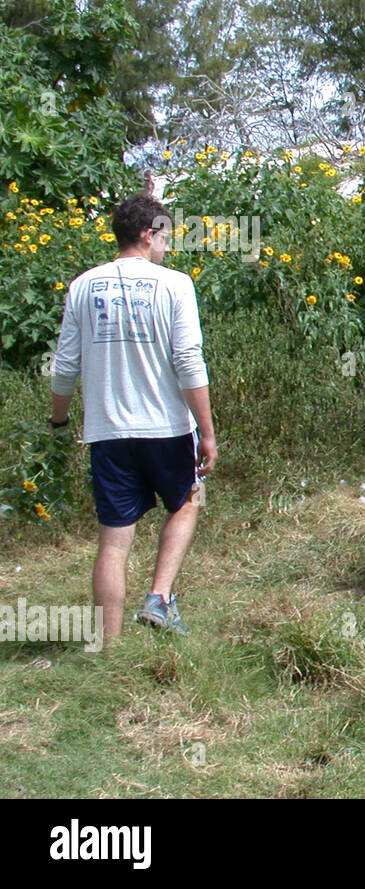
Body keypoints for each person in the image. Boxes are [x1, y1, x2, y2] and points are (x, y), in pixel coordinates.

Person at [50, 193, 216, 638]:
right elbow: (188, 360)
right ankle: (159, 597)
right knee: (187, 501)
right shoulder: (175, 284)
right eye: (164, 237)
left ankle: (108, 649)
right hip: (166, 428)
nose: (167, 247)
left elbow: (64, 366)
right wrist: (207, 432)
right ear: (148, 235)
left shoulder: (83, 285)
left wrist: (59, 421)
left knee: (113, 540)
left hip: (107, 432)